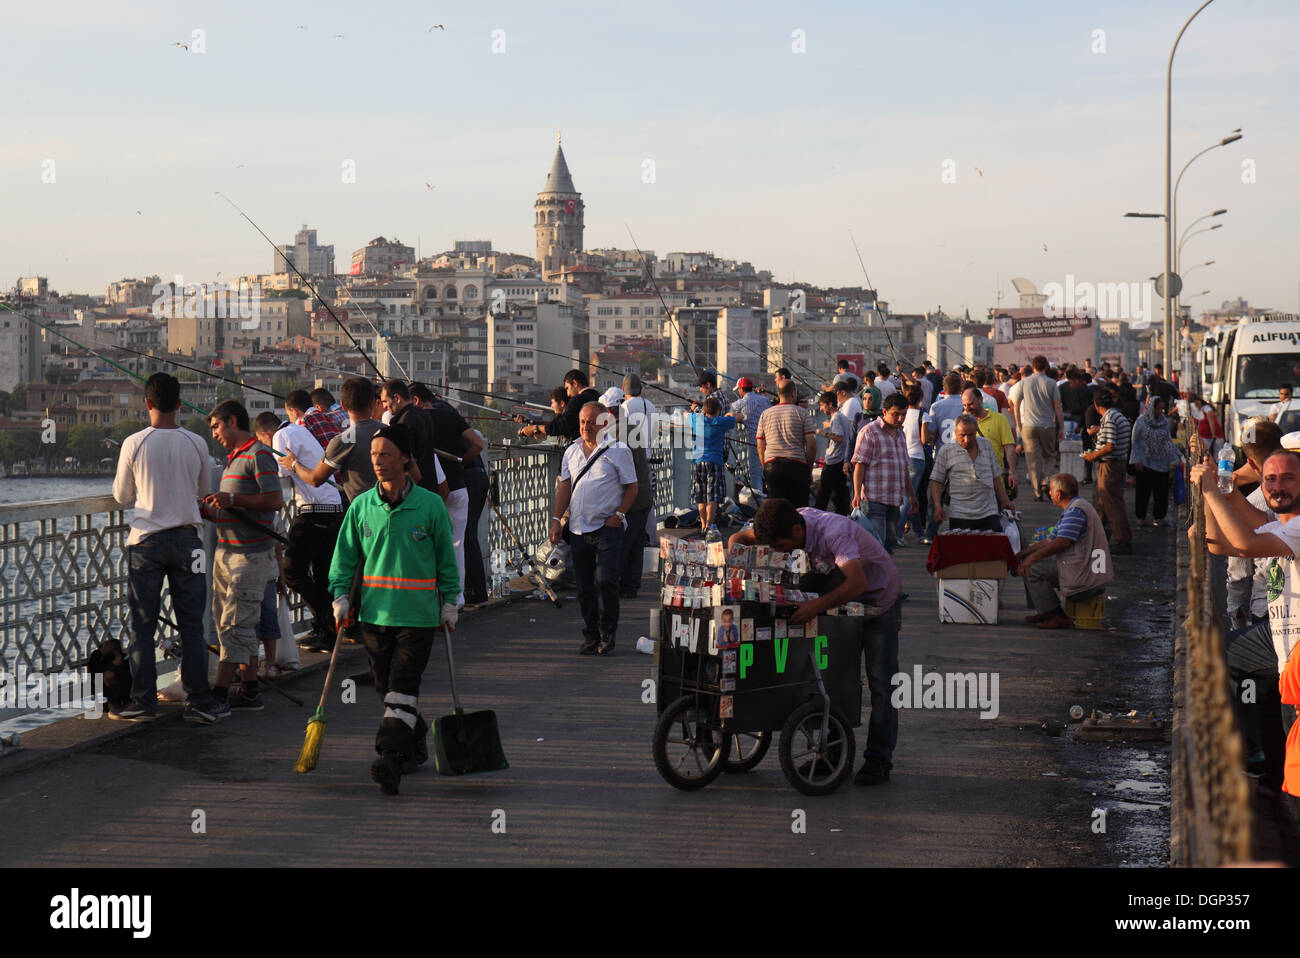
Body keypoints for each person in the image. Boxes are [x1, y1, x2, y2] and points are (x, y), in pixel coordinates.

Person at [727, 499, 902, 786]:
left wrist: (816, 607)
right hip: (839, 602)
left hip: (877, 602)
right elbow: (738, 538)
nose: (777, 552)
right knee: (830, 680)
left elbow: (857, 584)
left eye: (781, 546)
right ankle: (830, 754)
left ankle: (878, 759)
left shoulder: (834, 533)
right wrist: (739, 569)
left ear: (797, 531)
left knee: (882, 684)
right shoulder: (783, 523)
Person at [328, 423, 460, 795]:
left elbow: (446, 560)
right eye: (374, 456)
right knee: (389, 691)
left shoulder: (430, 505)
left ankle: (389, 758)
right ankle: (415, 738)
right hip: (373, 616)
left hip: (417, 617)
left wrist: (451, 601)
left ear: (405, 458)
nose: (378, 462)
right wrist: (339, 596)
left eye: (385, 454)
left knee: (402, 689)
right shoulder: (361, 506)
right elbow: (344, 558)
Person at [1192, 449, 1300, 861]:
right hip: (1290, 670)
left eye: (1287, 478)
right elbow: (1226, 543)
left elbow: (1241, 540)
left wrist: (1211, 491)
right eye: (1269, 478)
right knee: (1290, 776)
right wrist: (1218, 493)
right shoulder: (1284, 525)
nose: (1275, 487)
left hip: (1297, 672)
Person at [110, 373, 224, 724]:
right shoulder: (197, 443)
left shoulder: (134, 443)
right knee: (192, 625)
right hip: (189, 540)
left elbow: (122, 496)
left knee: (142, 625)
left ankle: (144, 702)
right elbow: (205, 490)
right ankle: (199, 700)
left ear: (147, 403)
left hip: (146, 541)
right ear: (180, 404)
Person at [200, 400, 284, 712]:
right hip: (226, 551)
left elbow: (275, 500)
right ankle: (250, 691)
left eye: (216, 427)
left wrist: (233, 498)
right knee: (232, 625)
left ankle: (219, 697)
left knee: (235, 625)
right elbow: (238, 507)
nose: (214, 434)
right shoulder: (234, 458)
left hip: (249, 557)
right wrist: (211, 510)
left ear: (232, 421)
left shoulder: (259, 454)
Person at [549, 402, 638, 655]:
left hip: (607, 526)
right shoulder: (572, 451)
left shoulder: (618, 450)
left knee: (606, 581)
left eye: (591, 422)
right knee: (585, 585)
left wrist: (619, 514)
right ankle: (591, 634)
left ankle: (608, 633)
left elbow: (632, 487)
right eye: (582, 422)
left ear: (604, 423)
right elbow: (565, 486)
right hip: (578, 528)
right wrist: (556, 520)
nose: (585, 426)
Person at [263, 395, 346, 652]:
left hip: (314, 509)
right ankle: (329, 632)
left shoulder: (279, 437)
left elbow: (281, 472)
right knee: (322, 575)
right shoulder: (299, 429)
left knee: (292, 571)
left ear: (264, 434)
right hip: (334, 506)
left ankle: (326, 623)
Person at [1017, 473, 1114, 629]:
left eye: (1050, 490)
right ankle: (1046, 610)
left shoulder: (1076, 511)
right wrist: (1023, 554)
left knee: (1033, 569)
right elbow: (1050, 539)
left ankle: (1055, 615)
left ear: (1059, 494)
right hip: (1084, 569)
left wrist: (1031, 559)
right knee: (1028, 562)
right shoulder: (1074, 507)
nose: (1049, 494)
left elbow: (1061, 543)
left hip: (1086, 576)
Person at [599, 388, 654, 597]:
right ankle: (631, 586)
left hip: (629, 498)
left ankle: (615, 587)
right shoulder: (633, 427)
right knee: (636, 544)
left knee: (621, 544)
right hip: (644, 494)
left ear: (609, 411)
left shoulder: (613, 432)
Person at [850, 392, 919, 553]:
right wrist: (856, 494)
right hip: (874, 500)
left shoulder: (901, 435)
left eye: (903, 415)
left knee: (888, 548)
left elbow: (903, 468)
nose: (900, 419)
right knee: (875, 548)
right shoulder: (869, 432)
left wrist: (911, 496)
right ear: (885, 412)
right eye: (896, 415)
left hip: (894, 501)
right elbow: (859, 466)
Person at [930, 414, 1013, 532]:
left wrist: (1005, 501)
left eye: (971, 435)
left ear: (976, 432)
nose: (967, 440)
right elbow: (936, 481)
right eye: (962, 435)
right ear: (955, 433)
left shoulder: (986, 445)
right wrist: (937, 507)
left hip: (989, 512)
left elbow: (995, 477)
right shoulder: (947, 450)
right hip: (960, 514)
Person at [379, 380, 452, 501]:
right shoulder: (424, 415)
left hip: (413, 493)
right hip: (430, 487)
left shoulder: (402, 423)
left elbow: (410, 465)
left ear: (397, 398)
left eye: (385, 401)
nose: (384, 407)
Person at [1083, 390, 1133, 554]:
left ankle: (1123, 540)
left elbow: (1110, 445)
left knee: (1112, 504)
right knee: (1102, 503)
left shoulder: (1110, 418)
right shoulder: (1116, 415)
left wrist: (1092, 456)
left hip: (1110, 466)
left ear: (1096, 406)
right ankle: (1099, 538)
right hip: (1113, 465)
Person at [1012, 355, 1065, 501]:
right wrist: (1061, 427)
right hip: (1047, 425)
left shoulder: (1024, 382)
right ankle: (1045, 481)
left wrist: (1019, 425)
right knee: (1050, 456)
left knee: (1032, 460)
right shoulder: (1052, 383)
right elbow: (1058, 407)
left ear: (1033, 366)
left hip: (1028, 425)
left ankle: (1036, 491)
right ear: (1046, 366)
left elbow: (1016, 405)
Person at [756, 381, 815, 506]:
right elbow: (811, 445)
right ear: (794, 393)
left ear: (778, 394)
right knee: (799, 511)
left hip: (773, 467)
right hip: (797, 467)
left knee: (777, 511)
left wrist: (765, 469)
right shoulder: (802, 413)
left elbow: (760, 446)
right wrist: (808, 469)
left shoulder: (765, 414)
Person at [689, 395, 735, 541]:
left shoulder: (696, 420)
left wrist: (697, 409)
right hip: (715, 462)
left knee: (700, 497)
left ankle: (703, 526)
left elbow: (687, 414)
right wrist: (729, 415)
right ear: (718, 410)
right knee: (712, 497)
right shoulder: (721, 422)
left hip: (698, 462)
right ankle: (710, 526)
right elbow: (738, 417)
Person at [1130, 397, 1179, 528]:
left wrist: (1175, 457)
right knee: (1143, 492)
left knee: (1161, 492)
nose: (1160, 411)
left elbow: (1168, 440)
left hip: (1162, 462)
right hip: (1144, 461)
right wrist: (1136, 459)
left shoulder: (1164, 422)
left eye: (1161, 408)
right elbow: (1135, 441)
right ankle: (1141, 517)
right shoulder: (1141, 421)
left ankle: (1159, 517)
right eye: (1157, 408)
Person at [963, 387, 1018, 498]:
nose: (967, 408)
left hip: (995, 480)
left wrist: (1012, 471)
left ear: (980, 400)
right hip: (969, 482)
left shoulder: (999, 419)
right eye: (964, 405)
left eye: (970, 404)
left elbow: (1009, 447)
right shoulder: (962, 422)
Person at [517, 369, 600, 442]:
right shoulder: (598, 397)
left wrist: (535, 428)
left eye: (567, 388)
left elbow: (562, 426)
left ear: (575, 383)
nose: (568, 394)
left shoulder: (577, 400)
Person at [899, 385, 930, 539]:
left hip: (902, 457)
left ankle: (918, 531)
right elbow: (924, 440)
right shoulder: (923, 415)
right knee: (908, 497)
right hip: (917, 459)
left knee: (912, 496)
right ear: (920, 398)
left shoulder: (901, 414)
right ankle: (896, 533)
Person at [814, 390, 852, 515]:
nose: (820, 409)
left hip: (833, 461)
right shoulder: (842, 417)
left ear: (830, 404)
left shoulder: (836, 418)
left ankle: (817, 518)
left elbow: (839, 437)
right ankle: (841, 518)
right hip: (841, 460)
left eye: (822, 405)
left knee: (822, 494)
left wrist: (822, 433)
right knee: (839, 494)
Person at [730, 376, 770, 493]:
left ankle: (758, 497)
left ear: (741, 389)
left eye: (738, 390)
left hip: (755, 440)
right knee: (768, 467)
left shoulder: (741, 403)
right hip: (770, 437)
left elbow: (726, 411)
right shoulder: (764, 399)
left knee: (755, 470)